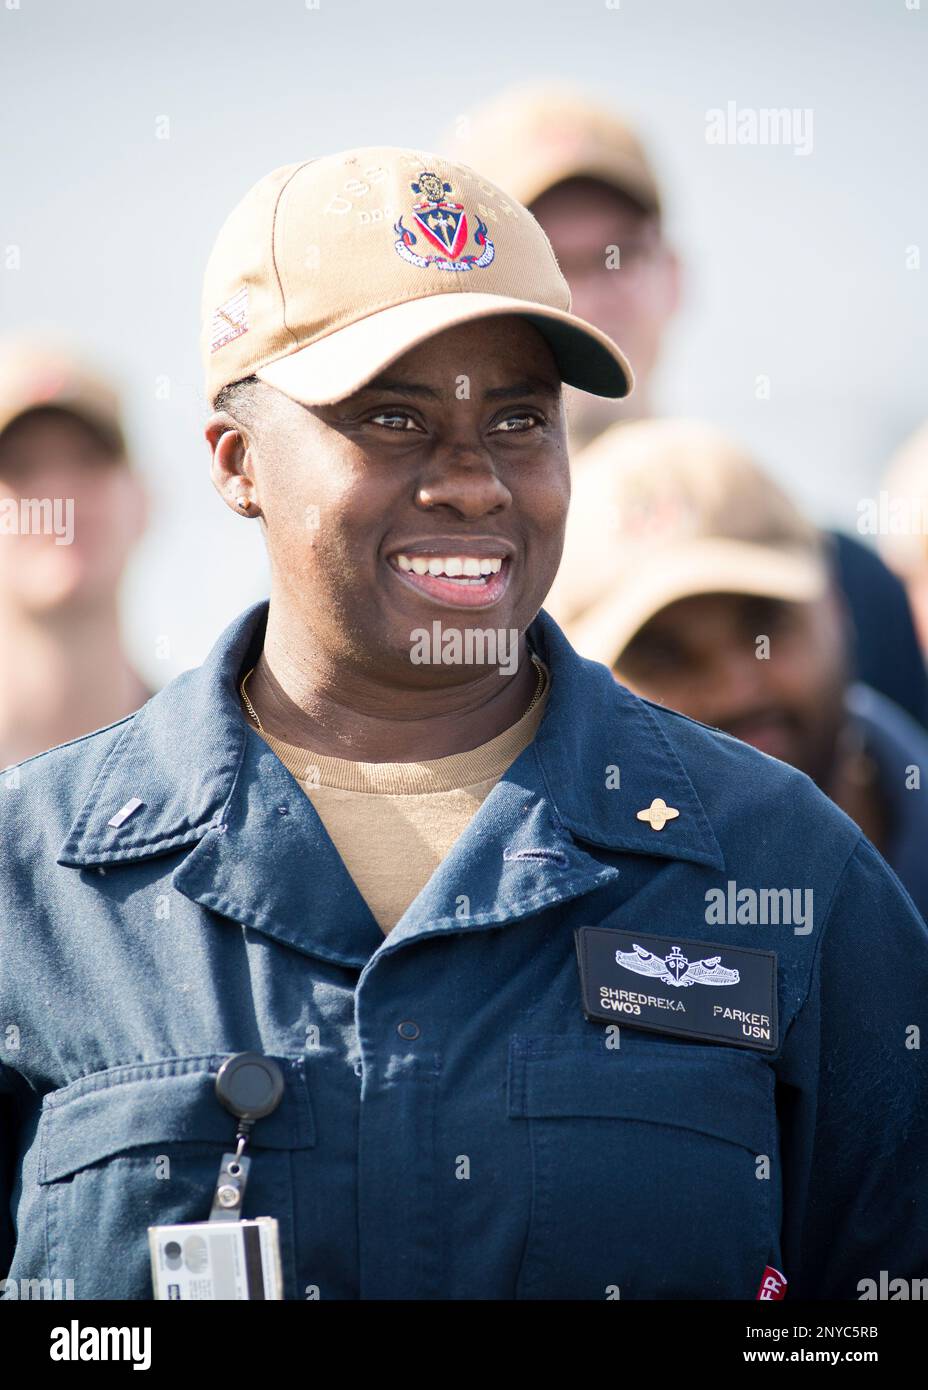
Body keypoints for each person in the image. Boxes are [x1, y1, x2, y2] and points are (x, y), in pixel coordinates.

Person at [1, 147, 926, 1303]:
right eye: (392, 416)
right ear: (237, 463)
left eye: (518, 417)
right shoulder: (40, 882)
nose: (474, 481)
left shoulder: (779, 860)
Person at [549, 416, 928, 922]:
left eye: (763, 624)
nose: (736, 689)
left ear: (837, 605)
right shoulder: (543, 923)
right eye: (660, 654)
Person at [447, 82, 680, 449]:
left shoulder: (749, 501)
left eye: (618, 256)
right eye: (540, 260)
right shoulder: (394, 504)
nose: (584, 301)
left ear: (673, 276)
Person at [0, 340, 152, 766]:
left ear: (142, 503)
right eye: (19, 467)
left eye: (88, 460)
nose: (58, 496)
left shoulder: (214, 766)